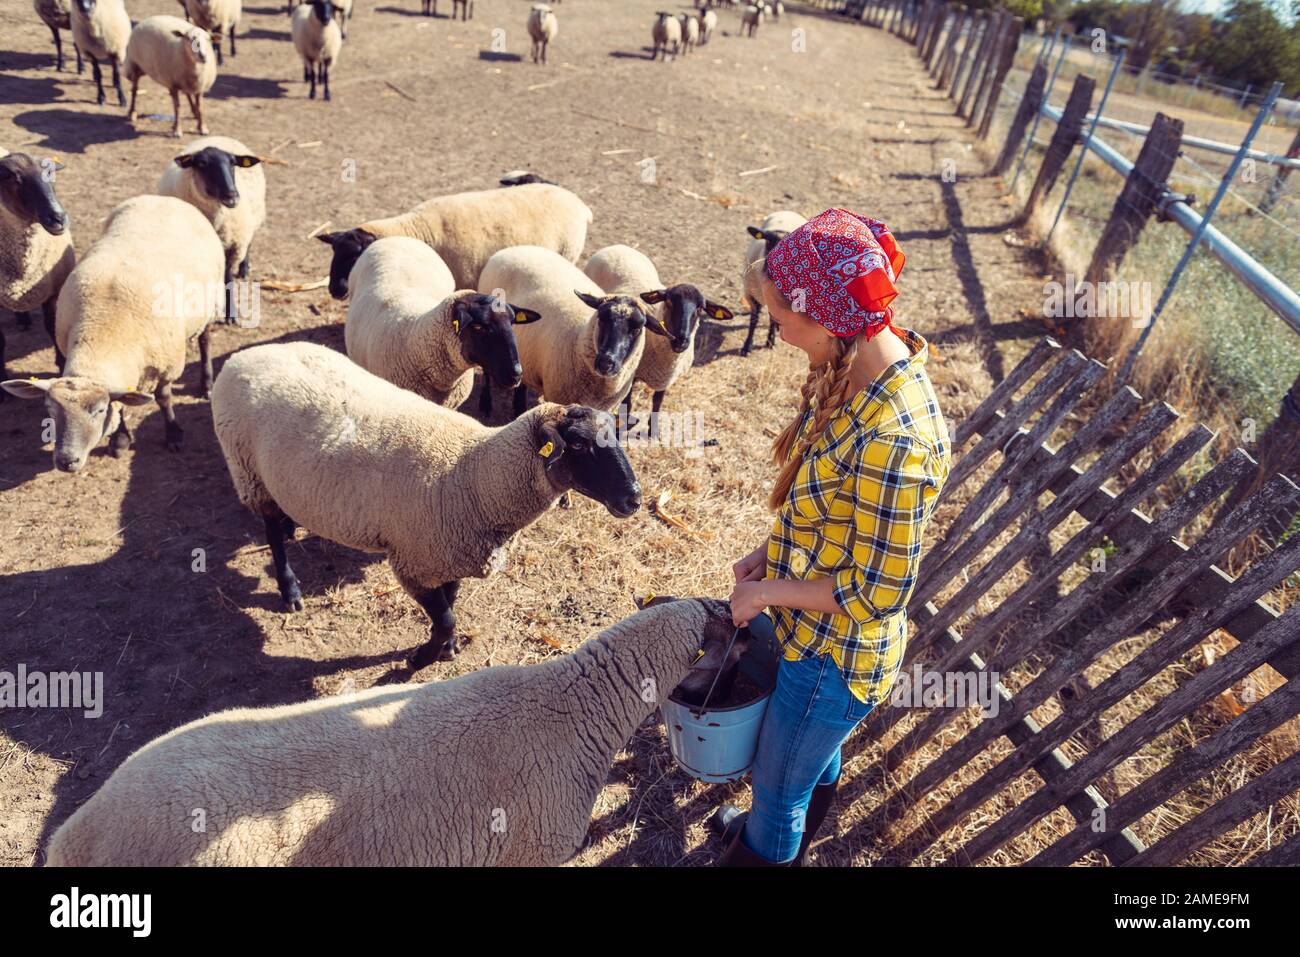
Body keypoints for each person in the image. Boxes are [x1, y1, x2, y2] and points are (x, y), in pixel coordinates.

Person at [716, 208, 952, 866]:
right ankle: (783, 823)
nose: (781, 332)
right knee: (806, 765)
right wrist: (771, 553)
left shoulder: (897, 439)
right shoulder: (856, 368)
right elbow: (834, 513)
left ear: (826, 317)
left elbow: (876, 592)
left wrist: (765, 590)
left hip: (836, 657)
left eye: (785, 321)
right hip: (815, 633)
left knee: (777, 786)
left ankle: (768, 841)